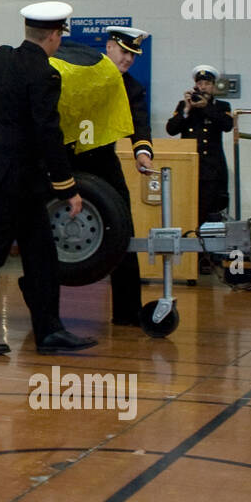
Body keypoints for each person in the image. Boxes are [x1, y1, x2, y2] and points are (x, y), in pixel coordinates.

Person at [0, 2, 95, 355]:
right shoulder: (45, 73)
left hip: (7, 175)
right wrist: (67, 186)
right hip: (16, 178)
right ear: (55, 36)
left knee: (40, 255)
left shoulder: (4, 58)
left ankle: (50, 329)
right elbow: (47, 132)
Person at [71, 25, 153, 326]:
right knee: (45, 235)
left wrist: (142, 152)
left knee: (122, 231)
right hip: (67, 160)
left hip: (103, 162)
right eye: (124, 51)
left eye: (133, 54)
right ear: (109, 47)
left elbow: (140, 126)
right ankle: (44, 308)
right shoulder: (80, 73)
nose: (129, 59)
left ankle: (128, 311)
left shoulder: (131, 87)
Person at [165, 64, 233, 227]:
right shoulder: (184, 105)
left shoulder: (221, 107)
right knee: (190, 211)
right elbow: (171, 129)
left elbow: (227, 125)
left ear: (213, 86)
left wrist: (206, 107)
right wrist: (187, 110)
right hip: (189, 168)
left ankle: (208, 251)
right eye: (200, 84)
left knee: (211, 212)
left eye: (207, 84)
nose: (203, 87)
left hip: (212, 170)